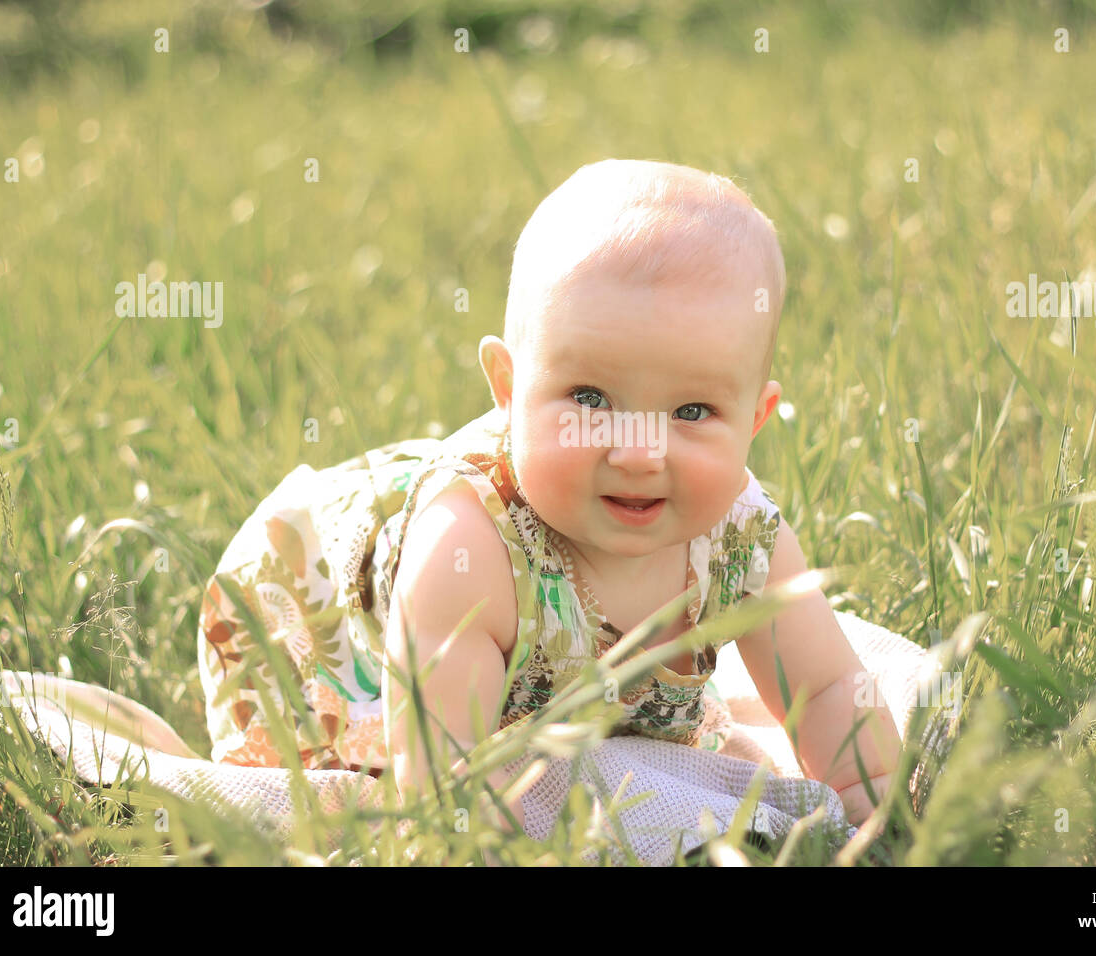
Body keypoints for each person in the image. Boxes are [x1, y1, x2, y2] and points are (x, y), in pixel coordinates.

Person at [196, 158, 901, 833]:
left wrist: (868, 814)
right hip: (318, 617)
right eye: (590, 399)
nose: (637, 453)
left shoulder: (745, 538)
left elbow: (833, 690)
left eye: (690, 412)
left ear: (753, 418)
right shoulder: (471, 547)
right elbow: (443, 788)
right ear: (508, 390)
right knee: (340, 788)